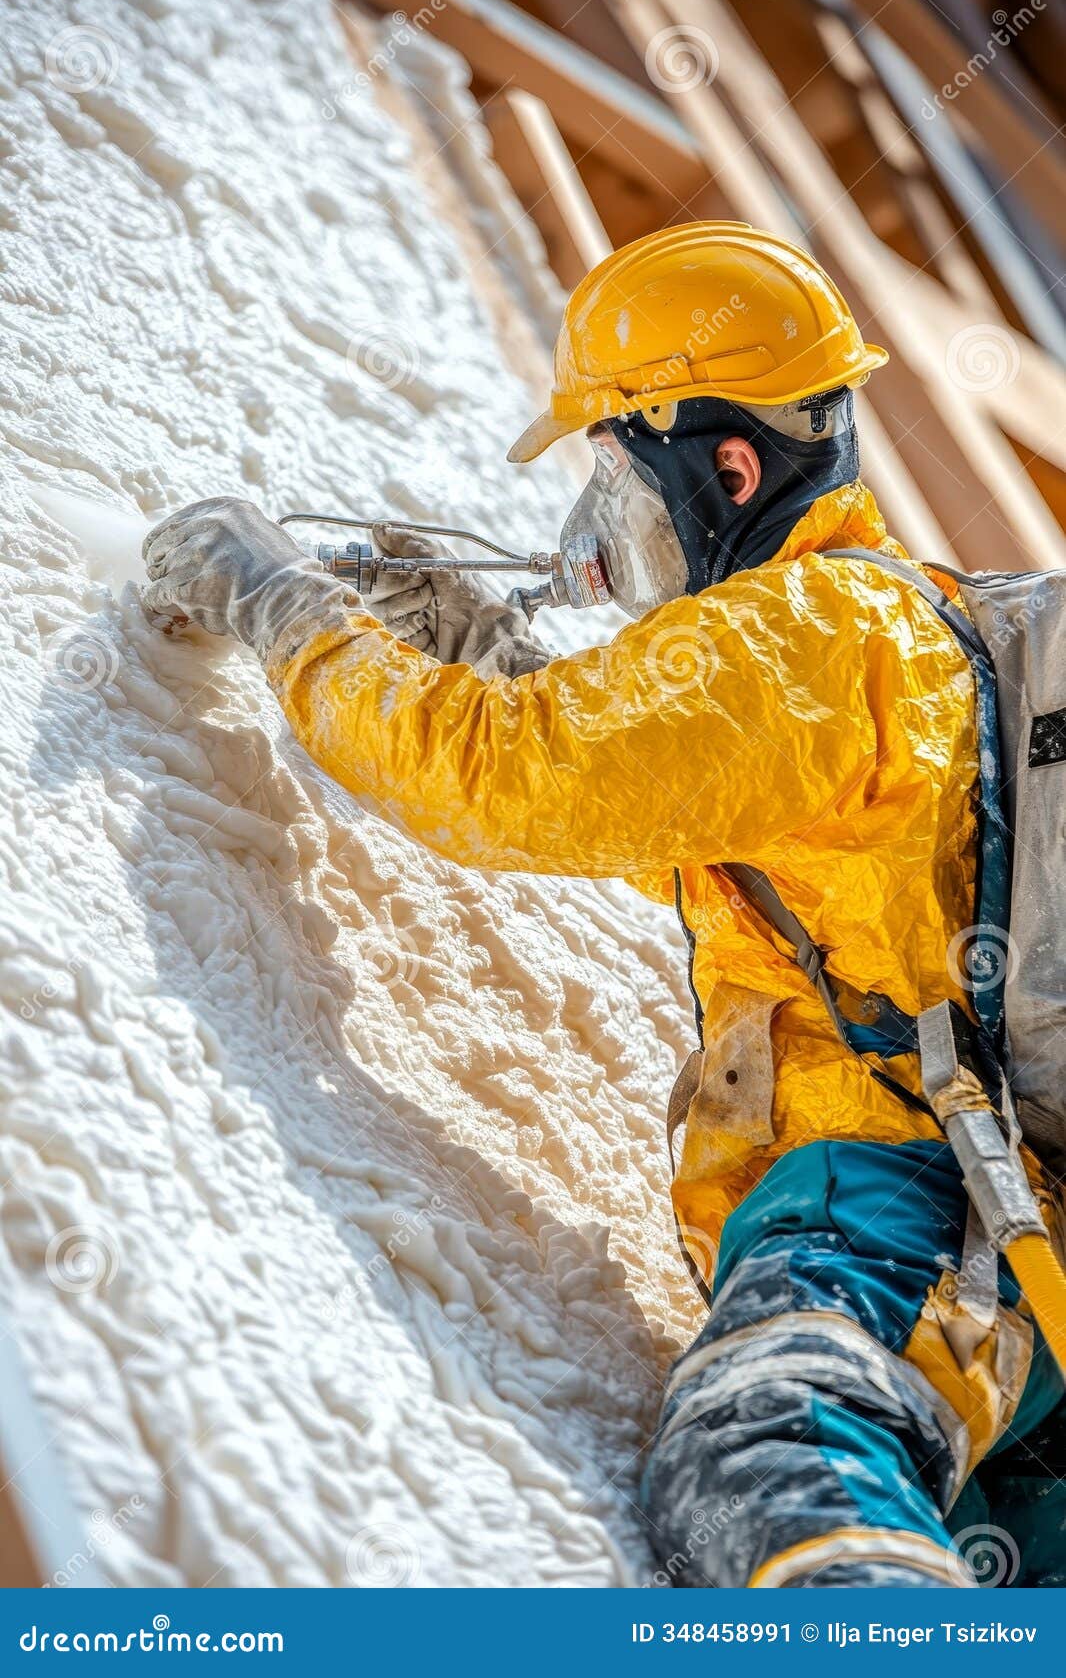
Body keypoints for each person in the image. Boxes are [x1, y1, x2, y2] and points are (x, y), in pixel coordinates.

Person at [142, 222, 1064, 1588]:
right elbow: (690, 828)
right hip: (1005, 1249)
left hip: (906, 1199)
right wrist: (486, 647)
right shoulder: (888, 631)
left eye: (618, 477)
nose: (602, 527)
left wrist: (277, 600)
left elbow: (497, 776)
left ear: (726, 466)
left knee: (764, 1445)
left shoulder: (797, 629)